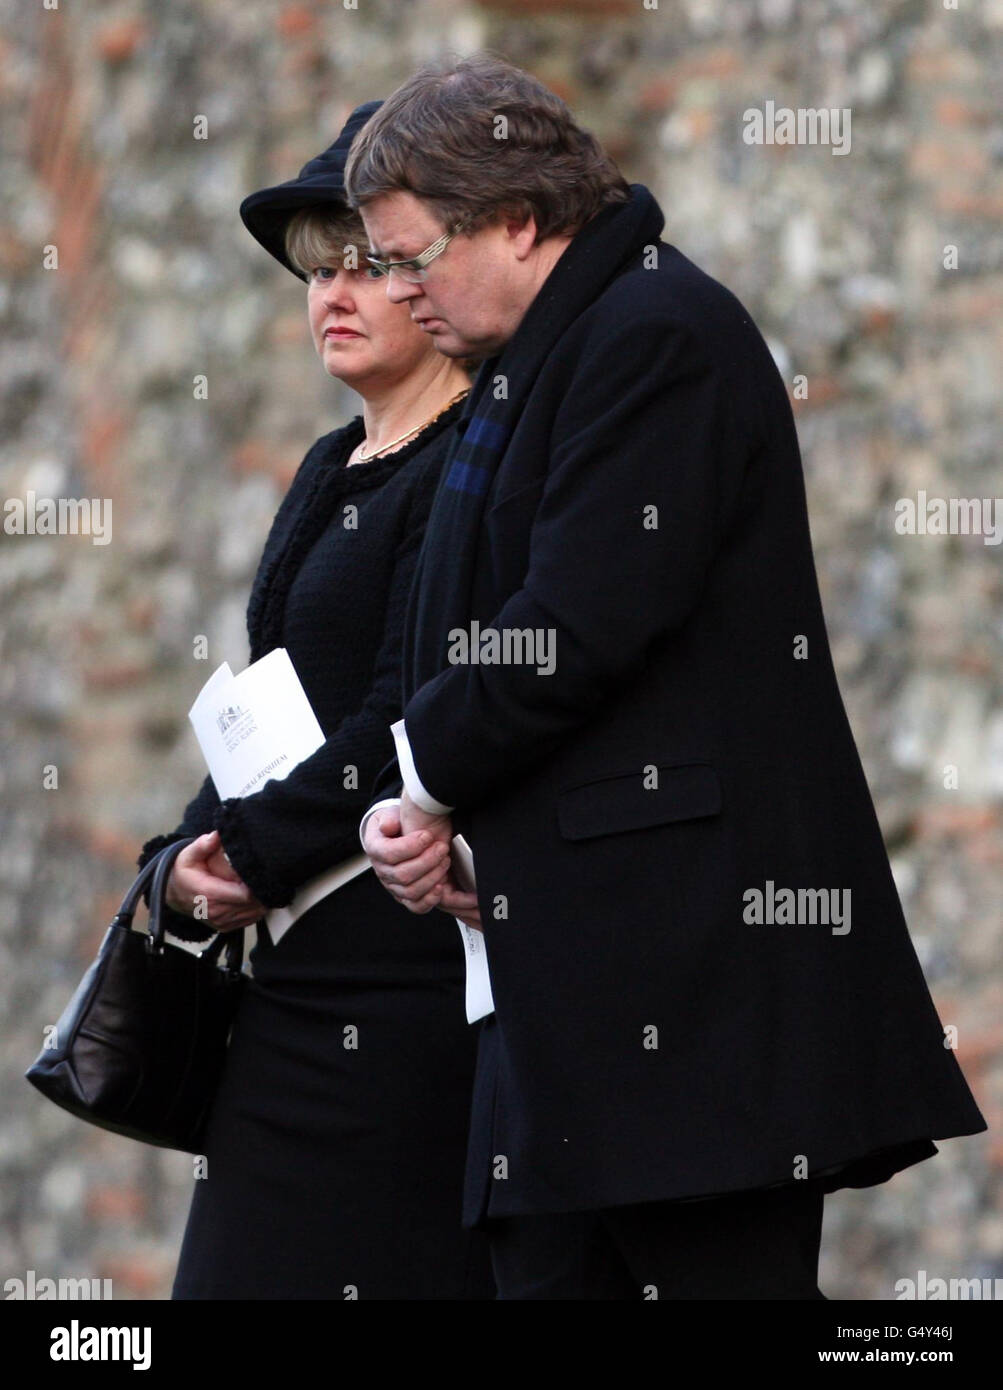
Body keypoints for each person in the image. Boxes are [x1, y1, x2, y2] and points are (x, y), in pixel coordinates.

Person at [350, 55, 988, 1300]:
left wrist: (422, 781)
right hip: (576, 1002)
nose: (394, 289)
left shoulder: (653, 336)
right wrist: (465, 844)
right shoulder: (555, 353)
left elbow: (575, 628)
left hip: (687, 1007)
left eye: (410, 253)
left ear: (520, 222)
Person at [136, 100, 493, 1300]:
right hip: (288, 981)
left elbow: (403, 712)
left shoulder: (470, 464)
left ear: (428, 279)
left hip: (397, 985)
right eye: (313, 266)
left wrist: (250, 849)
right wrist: (184, 859)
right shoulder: (330, 461)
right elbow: (276, 692)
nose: (331, 291)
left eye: (365, 262)